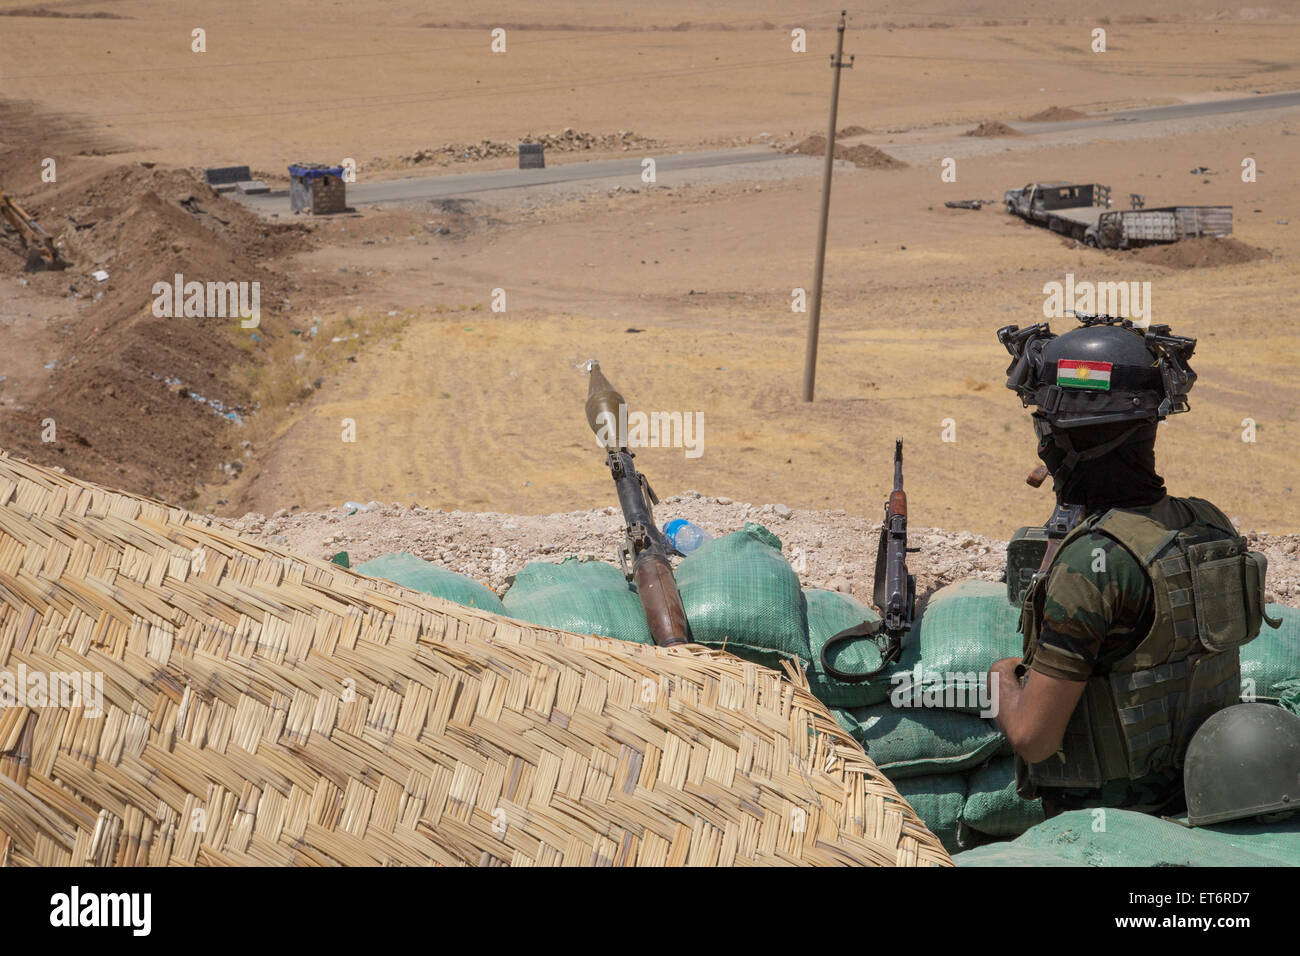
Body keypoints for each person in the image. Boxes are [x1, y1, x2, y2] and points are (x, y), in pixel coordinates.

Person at [987, 315, 1278, 816]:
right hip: (1202, 797)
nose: (1042, 447)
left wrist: (1001, 677)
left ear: (1068, 441)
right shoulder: (1209, 524)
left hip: (1107, 821)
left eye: (1046, 429)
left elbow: (1033, 739)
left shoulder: (1092, 567)